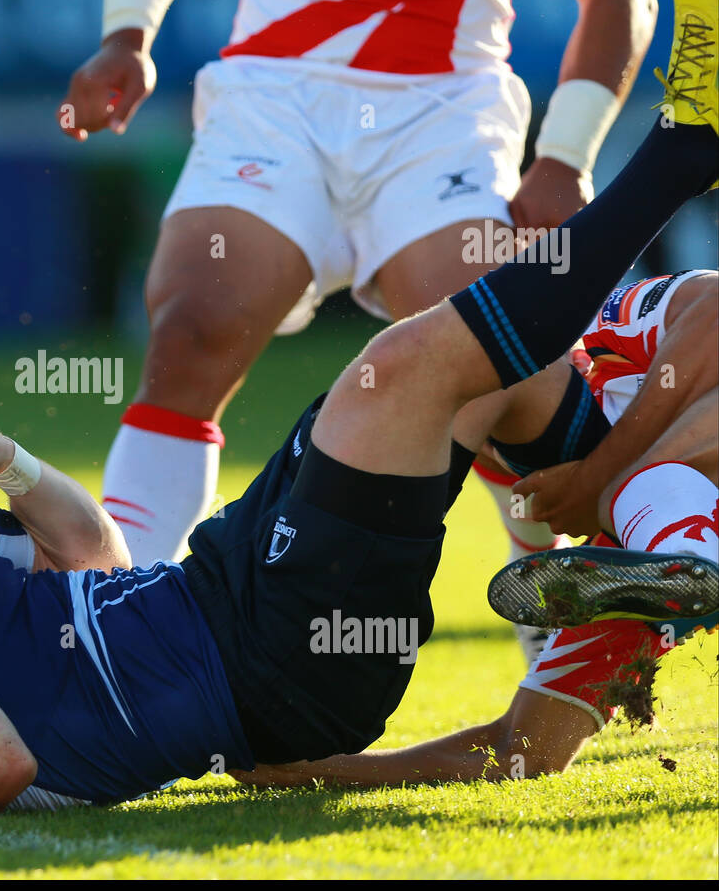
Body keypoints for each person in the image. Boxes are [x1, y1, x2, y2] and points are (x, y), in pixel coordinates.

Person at [0, 0, 718, 814]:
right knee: (402, 369)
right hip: (263, 671)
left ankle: (633, 565)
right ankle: (680, 155)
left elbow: (93, 559)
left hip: (215, 578)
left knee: (490, 385)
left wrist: (2, 458)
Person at [61, 0, 658, 612]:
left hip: (441, 116)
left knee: (503, 368)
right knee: (191, 330)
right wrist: (126, 34)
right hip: (273, 101)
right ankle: (120, 613)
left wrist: (565, 154)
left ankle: (545, 575)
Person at [232, 270, 718, 789]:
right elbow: (523, 753)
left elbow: (713, 305)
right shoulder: (596, 557)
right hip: (645, 554)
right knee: (535, 738)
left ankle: (690, 559)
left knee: (495, 369)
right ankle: (688, 560)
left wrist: (597, 479)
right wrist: (303, 771)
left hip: (642, 528)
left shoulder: (599, 332)